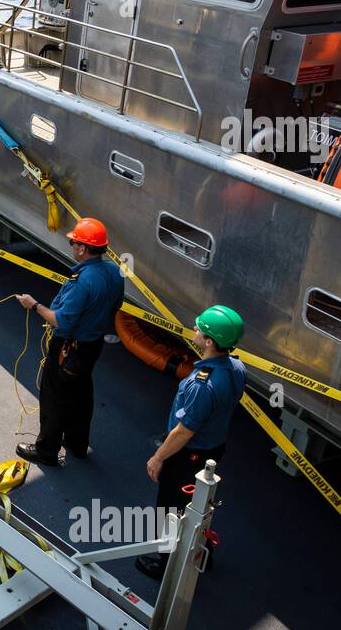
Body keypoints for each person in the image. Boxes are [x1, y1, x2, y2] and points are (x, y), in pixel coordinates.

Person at [136, 305, 247, 581]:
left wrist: (159, 457)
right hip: (213, 449)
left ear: (209, 342)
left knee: (170, 511)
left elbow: (184, 432)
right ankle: (202, 550)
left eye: (200, 328)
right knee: (196, 504)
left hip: (188, 456)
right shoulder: (237, 369)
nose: (195, 329)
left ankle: (166, 567)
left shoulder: (201, 385)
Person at [14, 217, 124, 468]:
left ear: (83, 249)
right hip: (92, 346)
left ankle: (46, 451)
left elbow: (61, 321)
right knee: (82, 394)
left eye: (74, 242)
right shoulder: (114, 273)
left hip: (69, 348)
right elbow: (115, 306)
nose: (72, 246)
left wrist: (34, 306)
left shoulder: (82, 282)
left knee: (55, 396)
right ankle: (78, 445)